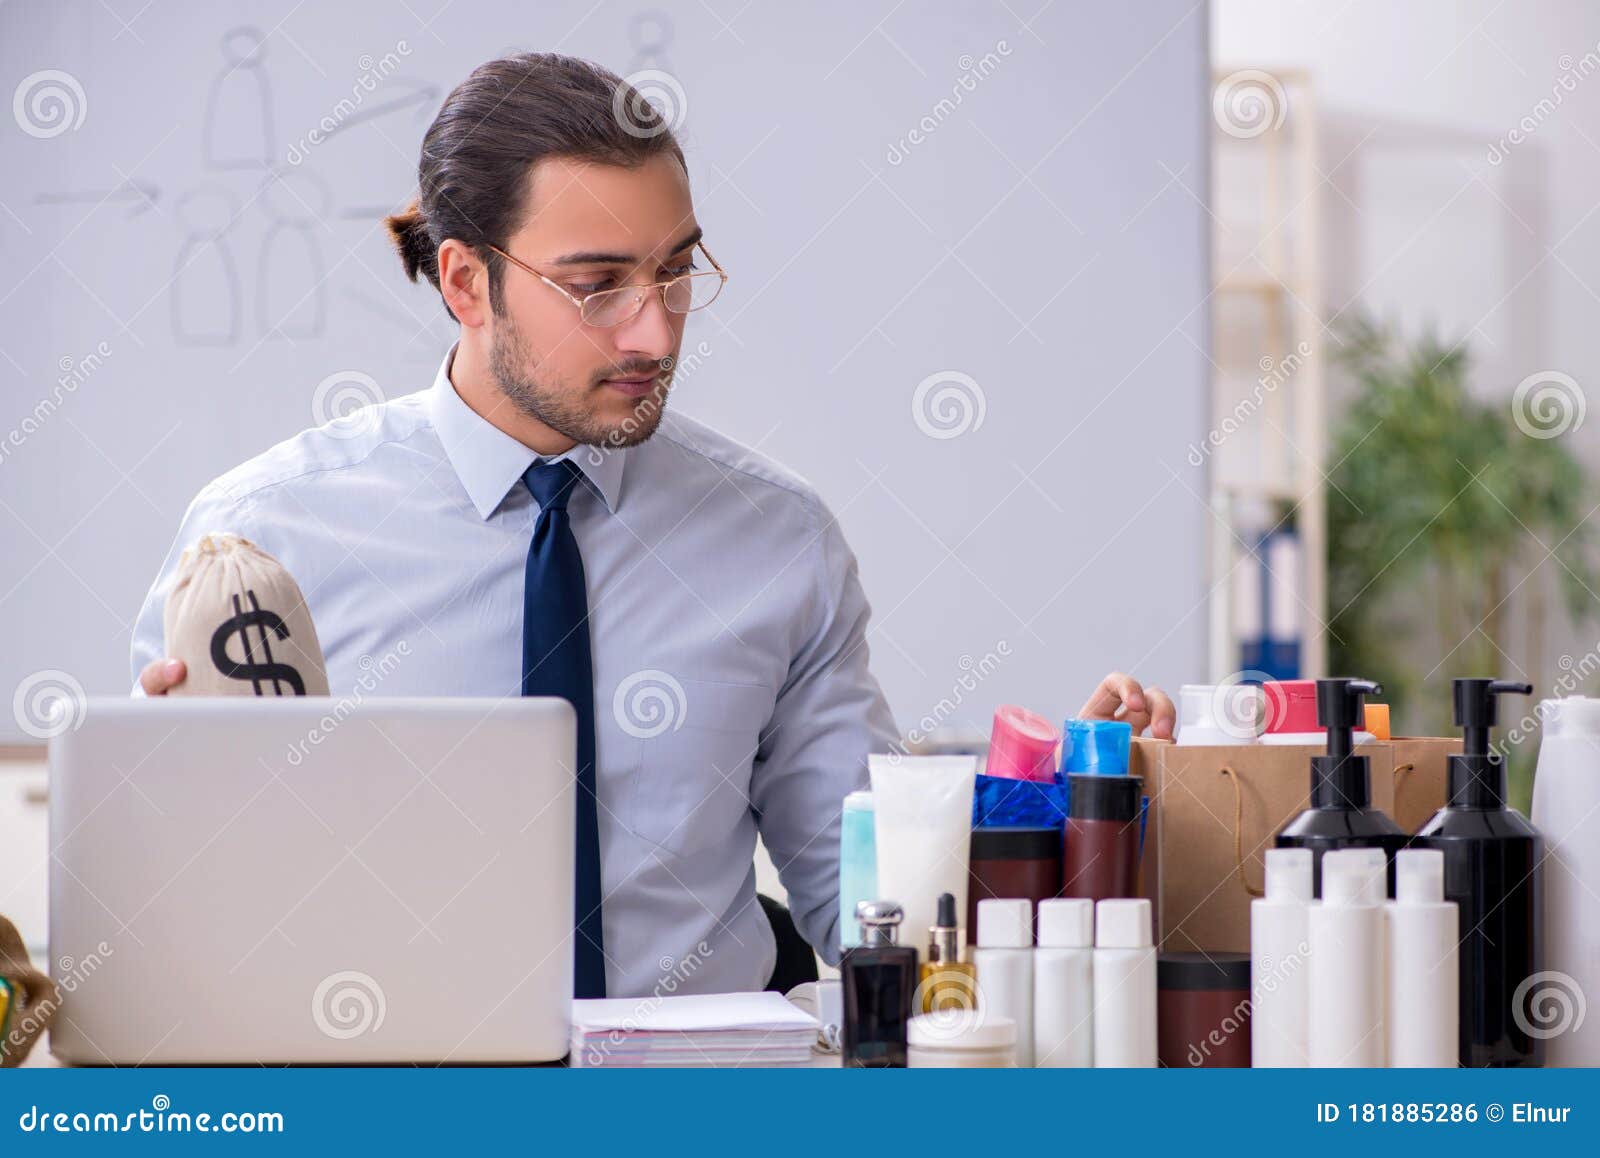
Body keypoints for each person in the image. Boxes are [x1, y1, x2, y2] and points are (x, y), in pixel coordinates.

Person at [131, 53, 1174, 999]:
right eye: (597, 286)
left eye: (675, 269)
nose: (656, 328)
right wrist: (171, 813)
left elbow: (871, 910)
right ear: (464, 281)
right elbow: (173, 925)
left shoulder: (777, 542)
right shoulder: (268, 540)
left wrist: (1059, 809)